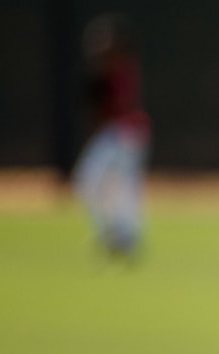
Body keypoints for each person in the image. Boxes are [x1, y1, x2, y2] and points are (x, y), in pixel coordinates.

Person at [72, 13, 150, 260]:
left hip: (125, 132)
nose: (100, 46)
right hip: (119, 133)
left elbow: (118, 106)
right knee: (100, 183)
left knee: (112, 182)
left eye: (105, 41)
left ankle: (123, 236)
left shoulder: (120, 69)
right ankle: (119, 235)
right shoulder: (107, 70)